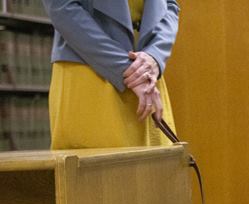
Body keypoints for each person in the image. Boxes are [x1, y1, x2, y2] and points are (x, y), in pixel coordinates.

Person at [43, 0, 179, 149]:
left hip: (147, 76)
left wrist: (155, 56)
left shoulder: (146, 68)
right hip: (90, 71)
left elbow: (170, 6)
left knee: (158, 168)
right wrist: (130, 69)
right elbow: (61, 7)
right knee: (95, 168)